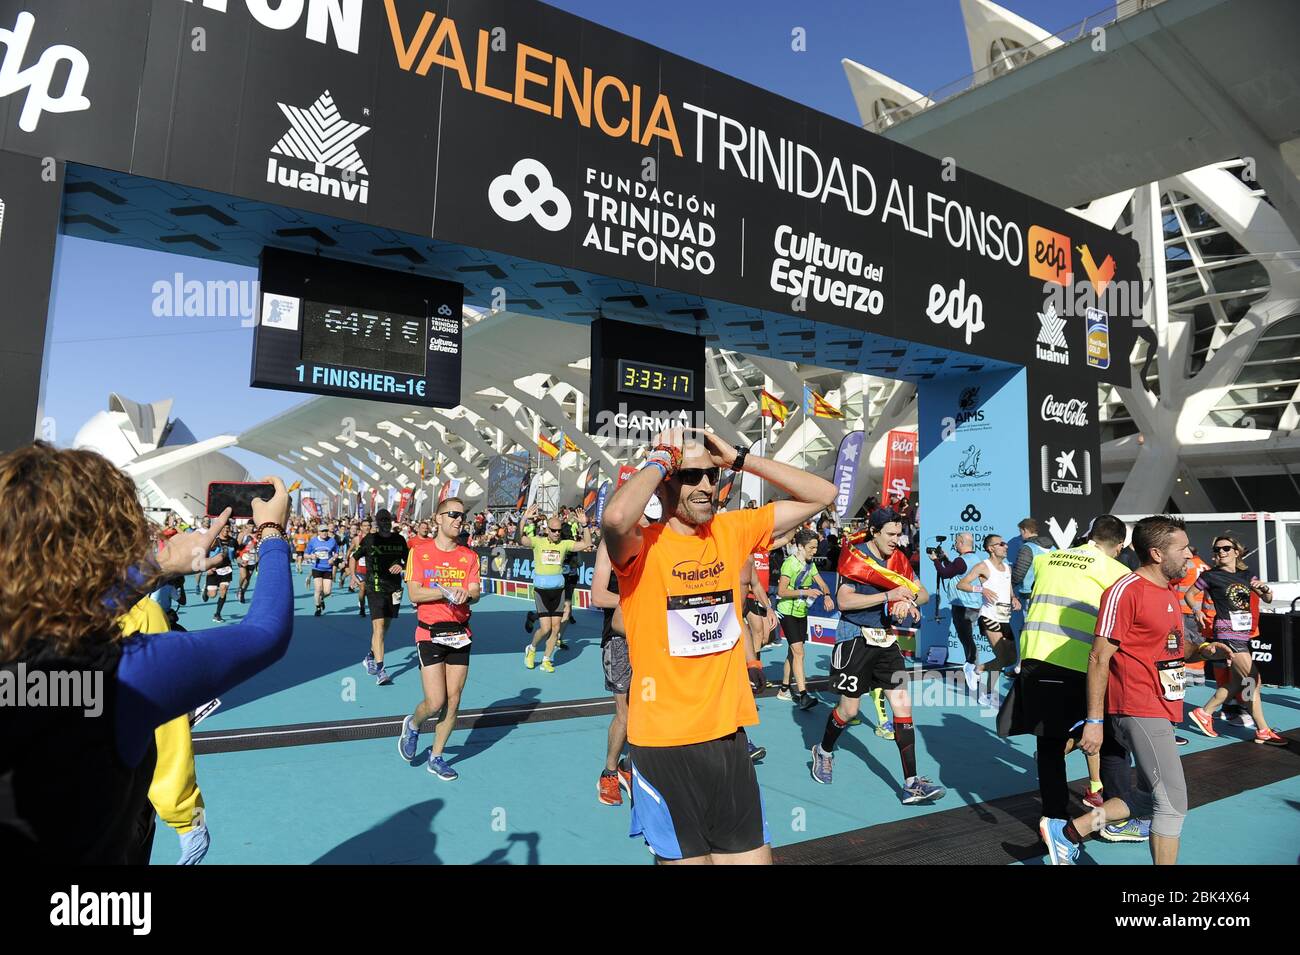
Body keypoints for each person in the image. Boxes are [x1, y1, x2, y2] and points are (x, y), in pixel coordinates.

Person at [0, 443, 294, 863]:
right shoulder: (124, 674)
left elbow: (73, 616)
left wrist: (162, 566)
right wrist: (272, 534)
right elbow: (267, 633)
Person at [603, 427, 836, 864]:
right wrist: (663, 457)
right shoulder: (642, 544)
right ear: (667, 479)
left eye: (711, 477)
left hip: (727, 738)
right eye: (691, 476)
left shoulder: (732, 530)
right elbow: (615, 518)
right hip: (663, 744)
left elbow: (823, 494)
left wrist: (741, 460)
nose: (705, 486)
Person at [1040, 516, 1233, 865]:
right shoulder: (1125, 590)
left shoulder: (1169, 592)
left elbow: (1172, 648)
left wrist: (1203, 650)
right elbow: (1099, 656)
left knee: (1146, 798)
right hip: (1136, 706)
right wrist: (1094, 721)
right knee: (1173, 802)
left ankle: (1068, 832)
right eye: (1183, 548)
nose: (1190, 554)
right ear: (1157, 554)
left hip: (1162, 705)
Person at [1000, 515, 1136, 835]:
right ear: (1118, 546)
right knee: (1111, 735)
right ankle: (1112, 815)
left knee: (1049, 744)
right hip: (1079, 663)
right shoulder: (1117, 571)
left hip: (1034, 658)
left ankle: (1054, 817)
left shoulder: (1048, 559)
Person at [811, 508, 947, 805]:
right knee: (848, 711)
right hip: (855, 636)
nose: (897, 540)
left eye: (900, 534)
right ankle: (823, 751)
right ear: (874, 532)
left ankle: (911, 783)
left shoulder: (898, 559)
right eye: (891, 534)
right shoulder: (855, 556)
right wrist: (889, 596)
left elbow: (922, 594)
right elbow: (844, 602)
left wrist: (904, 599)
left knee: (902, 706)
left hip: (885, 639)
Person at [397, 498, 481, 781]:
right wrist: (446, 591)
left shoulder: (468, 556)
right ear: (438, 518)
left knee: (454, 701)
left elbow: (475, 592)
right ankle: (413, 724)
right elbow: (415, 594)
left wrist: (465, 593)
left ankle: (437, 756)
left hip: (459, 633)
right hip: (430, 633)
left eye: (463, 516)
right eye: (453, 515)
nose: (459, 520)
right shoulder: (419, 553)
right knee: (435, 702)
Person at [1186, 534, 1286, 745]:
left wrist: (1265, 589)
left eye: (1225, 548)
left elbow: (1267, 598)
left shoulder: (1246, 575)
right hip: (1227, 634)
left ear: (1236, 551)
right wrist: (1196, 610)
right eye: (1217, 550)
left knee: (1237, 682)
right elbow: (1189, 594)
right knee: (1253, 680)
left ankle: (1205, 712)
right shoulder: (1211, 576)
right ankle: (1263, 729)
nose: (1221, 552)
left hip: (1243, 634)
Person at [519, 505, 592, 673]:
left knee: (556, 627)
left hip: (558, 591)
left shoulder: (564, 544)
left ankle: (546, 659)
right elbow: (520, 540)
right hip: (541, 591)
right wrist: (524, 519)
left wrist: (585, 525)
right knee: (545, 628)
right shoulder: (538, 542)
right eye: (554, 530)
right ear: (547, 530)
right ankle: (531, 648)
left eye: (559, 531)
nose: (557, 533)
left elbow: (587, 543)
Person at [591, 536, 635, 805]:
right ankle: (609, 773)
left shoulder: (660, 541)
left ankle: (629, 767)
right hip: (619, 640)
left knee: (651, 711)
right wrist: (638, 600)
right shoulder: (611, 545)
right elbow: (598, 595)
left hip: (654, 639)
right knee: (626, 715)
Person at [956, 534, 1021, 707]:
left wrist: (1013, 598)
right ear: (991, 548)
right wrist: (981, 589)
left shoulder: (1007, 568)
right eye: (1001, 544)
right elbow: (961, 584)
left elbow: (1007, 588)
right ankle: (988, 694)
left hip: (1005, 617)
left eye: (1005, 543)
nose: (1005, 546)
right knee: (1001, 656)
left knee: (1010, 659)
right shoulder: (983, 566)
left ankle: (977, 669)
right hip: (989, 616)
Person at [775, 529, 832, 710]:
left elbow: (821, 583)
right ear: (800, 546)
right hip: (787, 612)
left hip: (801, 612)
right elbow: (781, 592)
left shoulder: (810, 564)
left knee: (793, 652)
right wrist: (805, 592)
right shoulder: (789, 564)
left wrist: (828, 596)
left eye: (816, 547)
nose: (814, 551)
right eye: (811, 548)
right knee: (799, 653)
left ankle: (784, 689)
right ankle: (803, 695)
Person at [353, 510, 409, 686]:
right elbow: (354, 557)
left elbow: (409, 561)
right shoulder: (370, 539)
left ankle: (370, 656)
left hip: (394, 589)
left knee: (385, 627)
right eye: (381, 519)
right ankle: (381, 670)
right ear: (377, 522)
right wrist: (353, 576)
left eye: (387, 519)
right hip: (374, 587)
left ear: (391, 521)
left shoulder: (399, 539)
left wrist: (401, 566)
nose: (385, 522)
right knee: (378, 628)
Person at [931, 532, 980, 667]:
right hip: (973, 603)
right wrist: (946, 559)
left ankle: (972, 668)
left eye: (956, 542)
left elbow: (945, 573)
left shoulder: (961, 560)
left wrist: (935, 560)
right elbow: (956, 570)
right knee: (968, 638)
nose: (954, 545)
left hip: (962, 605)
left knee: (966, 639)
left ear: (961, 543)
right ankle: (972, 666)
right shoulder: (974, 558)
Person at [204, 525, 237, 623]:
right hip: (213, 570)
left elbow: (237, 554)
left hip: (226, 569)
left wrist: (240, 561)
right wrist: (207, 568)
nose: (226, 530)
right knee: (212, 595)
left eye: (228, 528)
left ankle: (217, 614)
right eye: (224, 528)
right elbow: (204, 554)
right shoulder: (213, 541)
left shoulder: (233, 541)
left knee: (223, 590)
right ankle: (206, 588)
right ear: (220, 529)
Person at [308, 524, 339, 616]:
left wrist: (333, 559)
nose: (324, 533)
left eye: (326, 531)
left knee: (327, 592)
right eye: (322, 531)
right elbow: (306, 554)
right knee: (318, 589)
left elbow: (337, 552)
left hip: (328, 568)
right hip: (317, 568)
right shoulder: (313, 541)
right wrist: (311, 556)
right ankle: (318, 607)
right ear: (318, 532)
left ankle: (321, 599)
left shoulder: (332, 541)